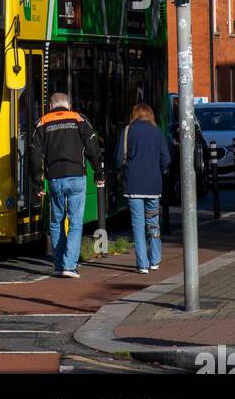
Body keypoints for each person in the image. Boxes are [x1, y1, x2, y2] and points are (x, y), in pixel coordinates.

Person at [30, 92, 104, 278]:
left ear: (50, 105)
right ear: (69, 105)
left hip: (54, 178)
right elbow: (93, 148)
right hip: (76, 176)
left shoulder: (42, 123)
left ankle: (58, 263)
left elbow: (34, 156)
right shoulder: (79, 119)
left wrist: (37, 183)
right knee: (75, 222)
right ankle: (69, 266)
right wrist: (98, 173)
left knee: (56, 222)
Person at [114, 102, 171, 273]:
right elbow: (166, 159)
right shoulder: (157, 132)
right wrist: (157, 170)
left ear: (135, 115)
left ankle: (142, 264)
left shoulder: (127, 132)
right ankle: (154, 260)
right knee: (153, 224)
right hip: (153, 185)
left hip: (133, 185)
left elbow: (118, 160)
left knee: (137, 225)